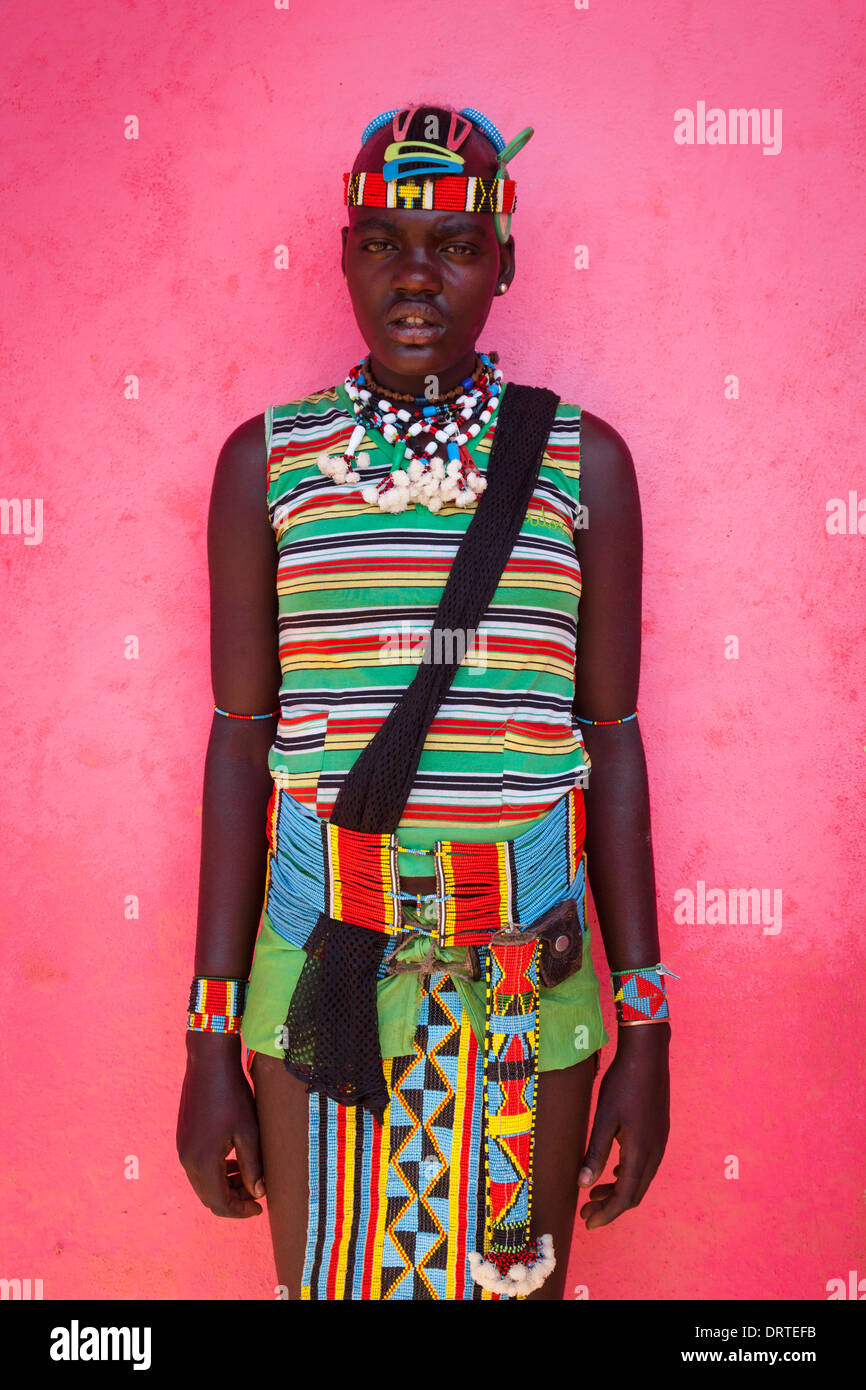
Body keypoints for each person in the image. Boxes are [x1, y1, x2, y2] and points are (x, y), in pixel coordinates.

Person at [177, 101, 672, 1301]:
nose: (415, 274)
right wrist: (205, 1039)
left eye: (453, 244)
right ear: (343, 254)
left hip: (525, 967)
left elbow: (608, 744)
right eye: (383, 240)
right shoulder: (268, 466)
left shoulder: (579, 463)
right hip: (321, 962)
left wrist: (645, 1033)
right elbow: (240, 750)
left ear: (505, 260)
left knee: (512, 1289)